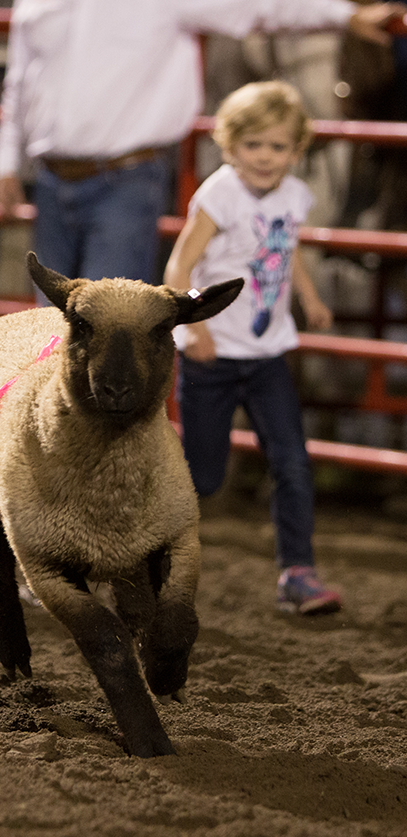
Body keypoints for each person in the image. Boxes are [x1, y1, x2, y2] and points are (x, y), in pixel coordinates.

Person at [0, 0, 406, 295]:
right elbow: (20, 78)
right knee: (49, 323)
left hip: (124, 180)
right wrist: (5, 162)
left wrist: (345, 15)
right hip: (51, 180)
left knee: (107, 324)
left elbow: (259, 7)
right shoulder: (36, 3)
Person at [163, 80, 341, 615]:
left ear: (297, 149)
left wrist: (308, 297)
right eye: (253, 145)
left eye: (278, 146)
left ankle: (298, 573)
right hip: (212, 359)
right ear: (229, 146)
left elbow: (287, 248)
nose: (265, 157)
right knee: (203, 477)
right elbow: (179, 265)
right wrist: (193, 328)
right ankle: (147, 557)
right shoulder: (219, 195)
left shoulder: (295, 195)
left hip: (267, 358)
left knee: (292, 462)